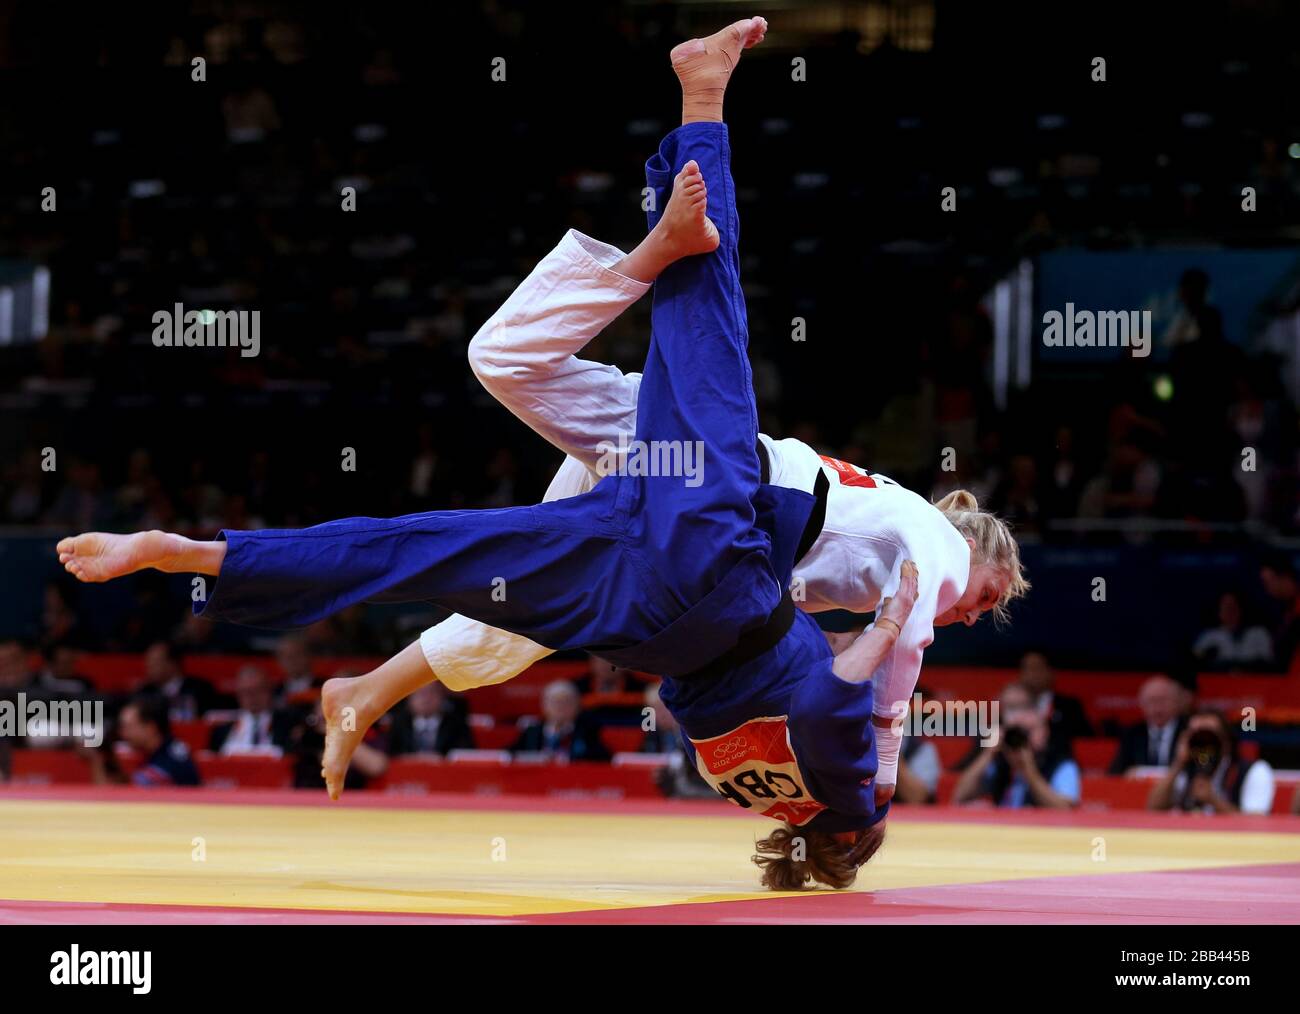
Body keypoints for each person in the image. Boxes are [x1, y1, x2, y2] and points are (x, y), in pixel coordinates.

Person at [55, 18, 1025, 889]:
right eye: (987, 595)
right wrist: (877, 737)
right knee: (505, 408)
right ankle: (676, 177)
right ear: (972, 550)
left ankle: (257, 596)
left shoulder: (875, 581)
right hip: (709, 525)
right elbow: (886, 676)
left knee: (471, 553)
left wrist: (856, 681)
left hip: (674, 533)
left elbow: (846, 677)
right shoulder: (923, 555)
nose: (971, 611)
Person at [952, 683, 1080, 809]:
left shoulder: (1060, 763)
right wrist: (989, 753)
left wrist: (1028, 770)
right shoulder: (1000, 760)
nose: (1021, 739)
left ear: (1044, 731)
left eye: (1027, 731)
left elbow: (1065, 809)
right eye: (1016, 732)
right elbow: (960, 796)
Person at [1148, 708, 1275, 815]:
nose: (1203, 744)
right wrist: (1178, 763)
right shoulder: (1185, 769)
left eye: (1209, 736)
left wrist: (1213, 800)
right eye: (1197, 736)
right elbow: (1154, 809)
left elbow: (1255, 823)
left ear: (1226, 742)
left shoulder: (1254, 771)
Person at [1108, 674, 1188, 774]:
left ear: (1176, 702)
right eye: (1152, 701)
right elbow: (1115, 772)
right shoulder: (1133, 733)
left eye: (1163, 700)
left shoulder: (1188, 730)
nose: (1157, 708)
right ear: (1142, 704)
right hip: (1141, 788)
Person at [1191, 590, 1273, 671]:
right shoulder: (1209, 637)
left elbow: (1268, 664)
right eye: (1226, 607)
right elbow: (1196, 663)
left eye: (1233, 606)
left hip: (1254, 682)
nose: (1230, 611)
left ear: (1241, 608)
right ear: (1218, 611)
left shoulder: (1259, 634)